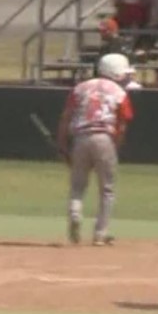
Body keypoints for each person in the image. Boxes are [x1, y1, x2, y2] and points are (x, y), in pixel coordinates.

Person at [55, 53, 136, 246]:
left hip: (81, 137)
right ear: (115, 72)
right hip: (105, 138)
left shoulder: (80, 88)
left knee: (77, 185)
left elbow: (66, 117)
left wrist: (63, 145)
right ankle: (100, 233)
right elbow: (122, 124)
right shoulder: (119, 92)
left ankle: (75, 214)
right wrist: (115, 147)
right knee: (107, 189)